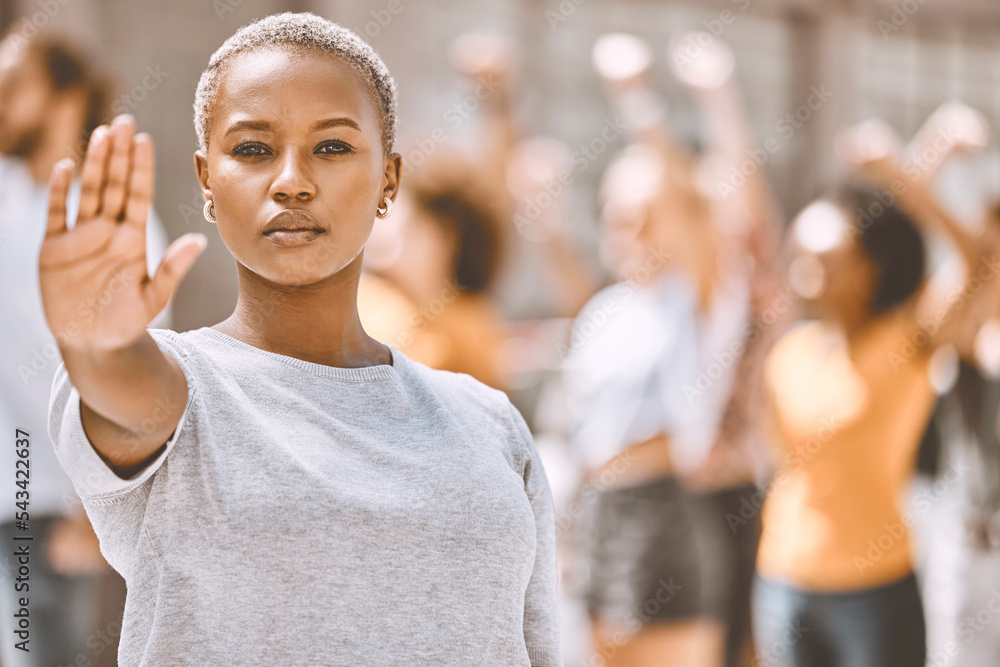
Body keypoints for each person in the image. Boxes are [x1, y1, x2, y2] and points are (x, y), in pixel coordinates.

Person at [42, 12, 561, 666]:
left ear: (389, 181)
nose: (291, 179)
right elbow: (121, 386)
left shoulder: (491, 424)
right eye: (253, 148)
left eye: (334, 146)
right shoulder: (184, 392)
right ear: (207, 180)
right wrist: (99, 342)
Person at [752, 113, 990, 664]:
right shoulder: (788, 353)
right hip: (785, 580)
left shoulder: (907, 344)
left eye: (826, 258)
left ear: (867, 268)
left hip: (875, 590)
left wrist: (902, 172)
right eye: (800, 256)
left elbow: (976, 262)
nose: (806, 269)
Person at [0, 30, 169, 667]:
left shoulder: (108, 224)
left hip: (44, 509)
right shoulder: (7, 198)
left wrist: (95, 503)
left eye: (14, 87)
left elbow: (138, 371)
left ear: (67, 101)